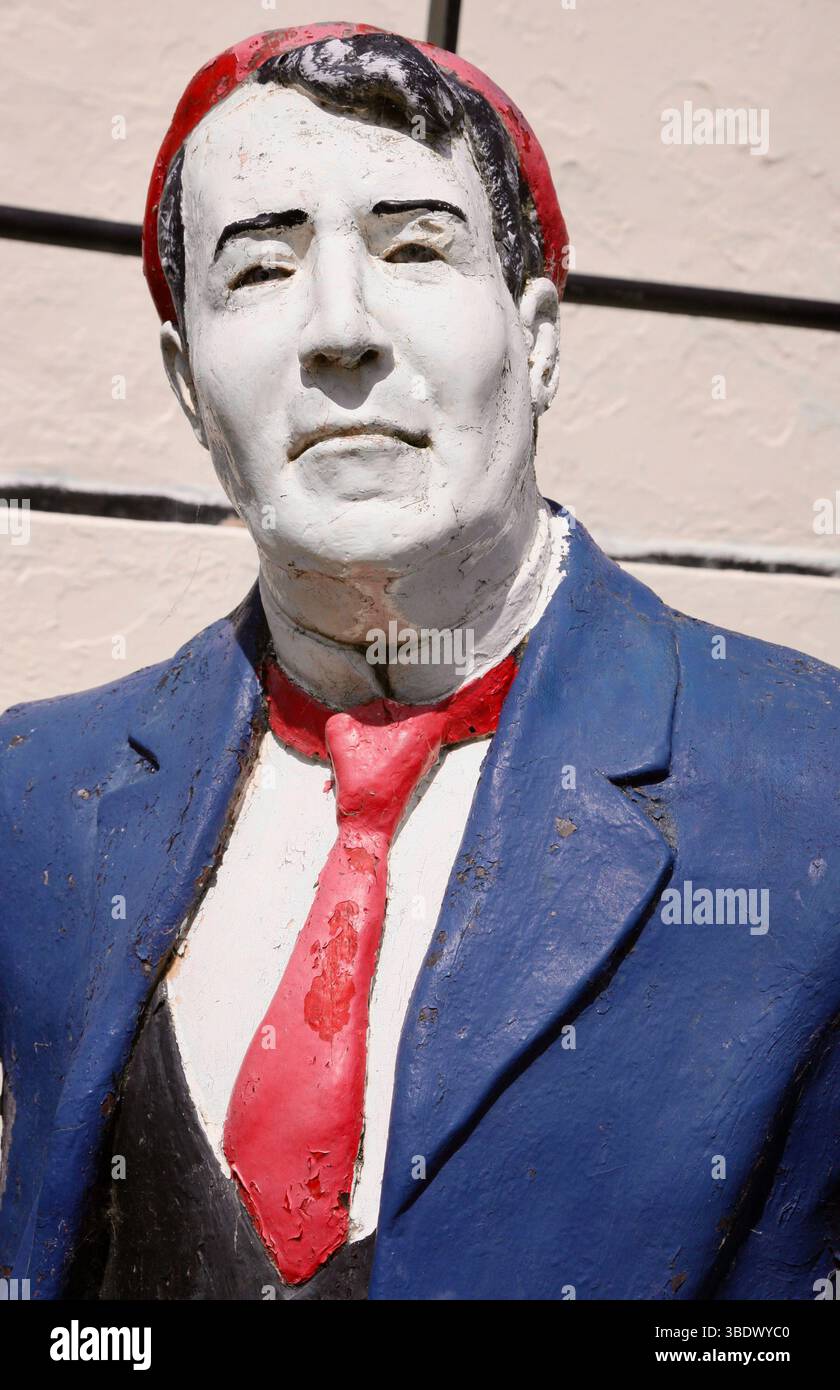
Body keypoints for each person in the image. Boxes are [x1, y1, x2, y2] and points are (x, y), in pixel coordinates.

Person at [1, 23, 838, 1302]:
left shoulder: (808, 781)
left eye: (413, 248)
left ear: (539, 336)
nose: (341, 332)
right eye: (263, 270)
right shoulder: (31, 794)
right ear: (185, 383)